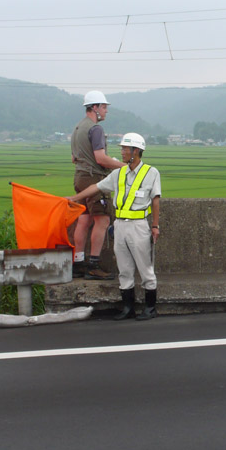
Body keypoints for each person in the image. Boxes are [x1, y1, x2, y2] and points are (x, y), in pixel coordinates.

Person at [68, 132, 162, 320]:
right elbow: (96, 187)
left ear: (136, 151)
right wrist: (73, 199)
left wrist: (155, 225)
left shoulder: (151, 173)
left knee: (145, 268)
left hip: (139, 226)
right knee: (124, 268)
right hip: (119, 226)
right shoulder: (118, 174)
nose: (122, 152)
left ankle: (150, 308)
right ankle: (128, 308)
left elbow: (155, 200)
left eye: (125, 149)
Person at [70, 90, 124, 279]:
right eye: (104, 107)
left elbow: (73, 158)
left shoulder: (77, 128)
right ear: (95, 107)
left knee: (84, 220)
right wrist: (124, 166)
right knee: (103, 220)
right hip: (93, 178)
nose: (106, 111)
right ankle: (93, 265)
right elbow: (101, 159)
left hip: (79, 177)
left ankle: (77, 263)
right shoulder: (96, 129)